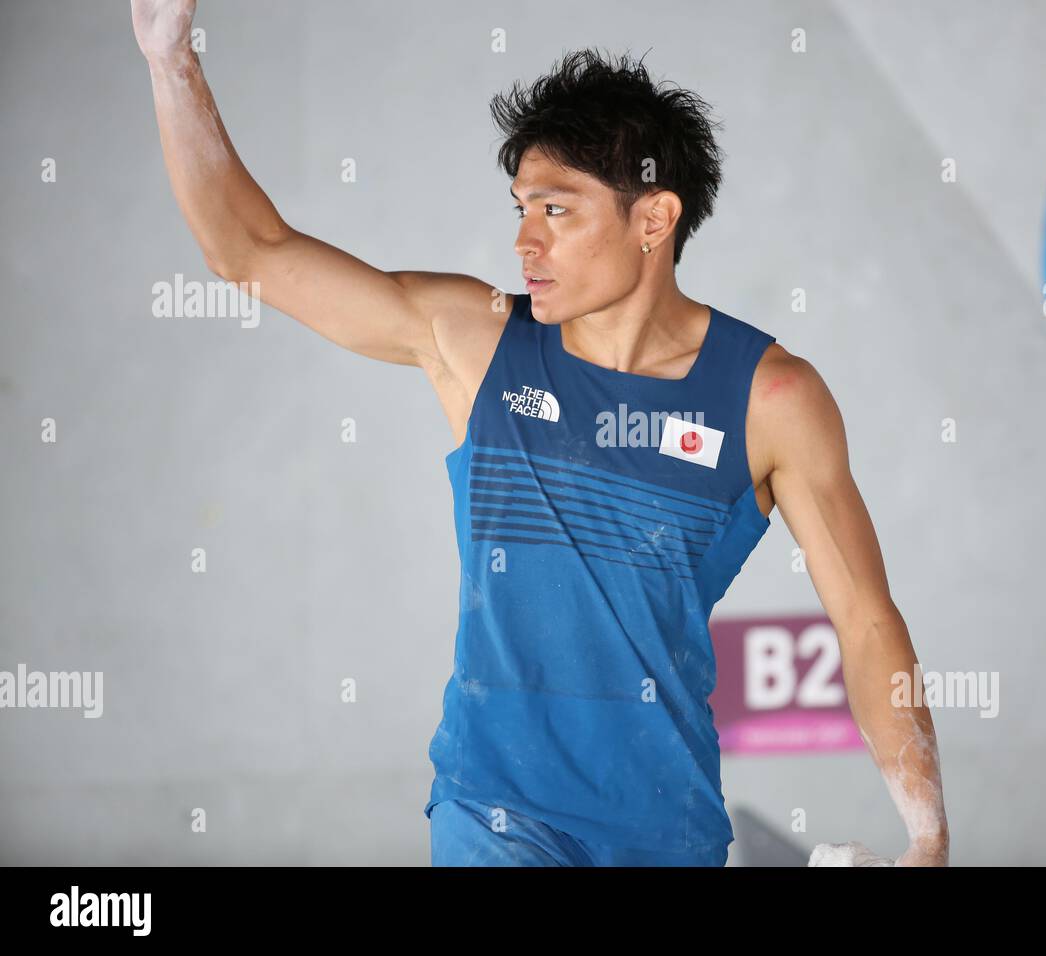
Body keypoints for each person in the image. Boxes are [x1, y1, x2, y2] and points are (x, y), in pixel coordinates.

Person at [131, 0, 950, 867]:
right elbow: (249, 251)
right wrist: (169, 60)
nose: (524, 240)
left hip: (666, 827)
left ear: (653, 219)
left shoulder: (772, 398)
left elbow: (865, 622)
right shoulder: (477, 341)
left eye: (556, 211)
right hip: (494, 812)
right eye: (521, 207)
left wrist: (928, 833)